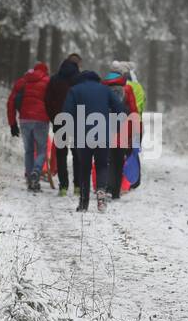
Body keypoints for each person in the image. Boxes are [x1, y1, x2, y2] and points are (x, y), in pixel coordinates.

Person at [61, 68, 125, 213]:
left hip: (82, 134)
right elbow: (120, 109)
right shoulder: (105, 89)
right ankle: (101, 193)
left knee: (84, 167)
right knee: (102, 165)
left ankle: (83, 203)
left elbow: (66, 113)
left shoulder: (74, 90)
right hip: (103, 133)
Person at [7, 61, 50, 192]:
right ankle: (36, 172)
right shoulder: (48, 82)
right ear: (45, 71)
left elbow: (11, 102)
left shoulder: (22, 81)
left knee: (29, 151)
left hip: (25, 119)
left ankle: (31, 180)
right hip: (41, 120)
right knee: (42, 150)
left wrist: (12, 123)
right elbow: (53, 100)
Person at [43, 55, 81, 197]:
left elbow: (47, 100)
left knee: (61, 154)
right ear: (77, 65)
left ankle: (63, 187)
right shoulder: (79, 80)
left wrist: (53, 117)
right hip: (77, 120)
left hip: (59, 119)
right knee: (77, 154)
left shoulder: (55, 79)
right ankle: (78, 186)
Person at [101, 61, 141, 199]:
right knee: (118, 161)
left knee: (105, 160)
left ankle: (104, 187)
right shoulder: (128, 90)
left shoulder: (102, 88)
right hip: (123, 130)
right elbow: (134, 111)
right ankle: (115, 191)